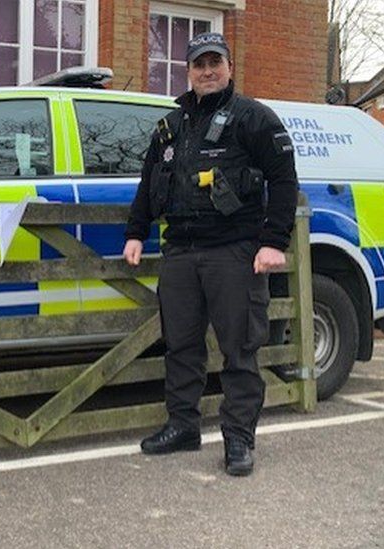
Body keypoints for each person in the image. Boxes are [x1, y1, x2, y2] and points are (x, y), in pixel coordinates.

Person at [123, 32, 298, 476]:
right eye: (199, 64)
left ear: (230, 67)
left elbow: (284, 180)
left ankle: (239, 440)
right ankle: (182, 426)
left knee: (239, 349)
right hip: (180, 250)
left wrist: (273, 242)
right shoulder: (170, 125)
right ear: (188, 72)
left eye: (215, 62)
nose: (207, 71)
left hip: (233, 252)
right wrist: (136, 233)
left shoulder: (253, 118)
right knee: (180, 346)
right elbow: (148, 185)